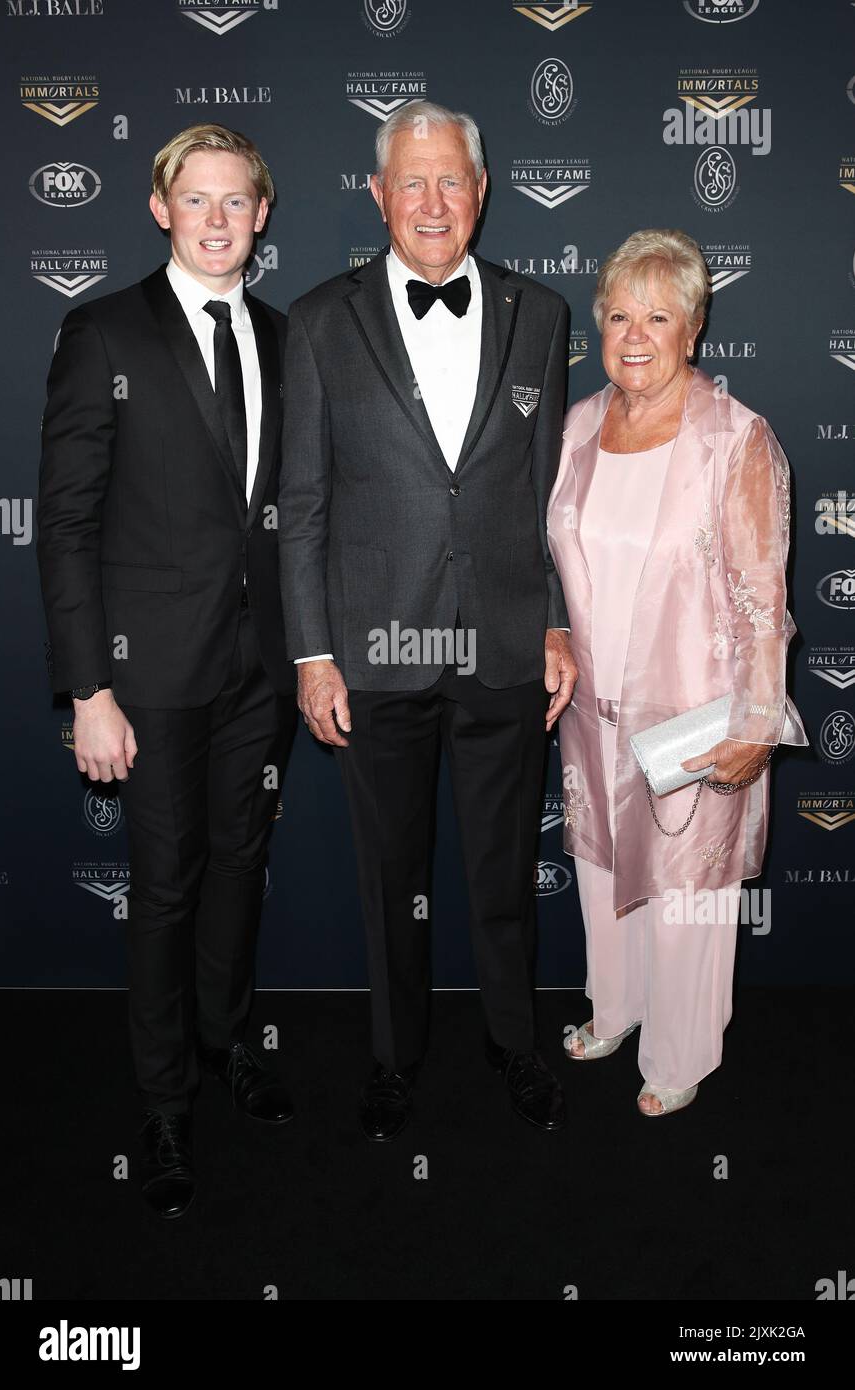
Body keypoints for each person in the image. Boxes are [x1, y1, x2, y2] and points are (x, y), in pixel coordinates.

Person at [279, 100, 577, 1141]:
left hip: (500, 641)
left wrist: (553, 621)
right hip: (377, 649)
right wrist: (313, 654)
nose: (433, 201)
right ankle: (395, 1057)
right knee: (388, 876)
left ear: (483, 190)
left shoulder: (541, 315)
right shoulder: (319, 320)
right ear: (377, 194)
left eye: (451, 178)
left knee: (502, 873)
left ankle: (513, 1043)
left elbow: (548, 498)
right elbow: (302, 505)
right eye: (412, 181)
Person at [37, 124, 297, 1218]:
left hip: (260, 667)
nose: (217, 219)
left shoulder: (287, 339)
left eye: (235, 200)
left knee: (240, 862)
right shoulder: (102, 331)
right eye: (196, 200)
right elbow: (67, 523)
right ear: (160, 209)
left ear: (262, 214)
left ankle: (224, 1035)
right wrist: (88, 688)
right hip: (145, 672)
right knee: (165, 885)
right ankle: (162, 1102)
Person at [546, 228, 807, 1116]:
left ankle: (680, 1054)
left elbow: (762, 596)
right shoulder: (578, 427)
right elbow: (557, 562)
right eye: (619, 314)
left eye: (658, 315)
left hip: (695, 718)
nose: (634, 334)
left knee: (689, 889)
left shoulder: (735, 439)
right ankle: (614, 1010)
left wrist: (757, 722)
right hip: (593, 711)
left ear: (694, 329)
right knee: (598, 868)